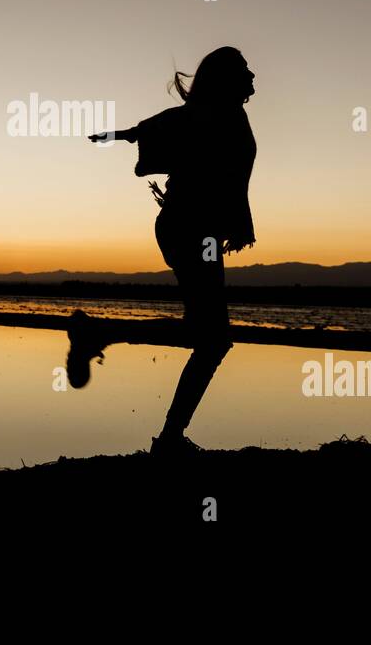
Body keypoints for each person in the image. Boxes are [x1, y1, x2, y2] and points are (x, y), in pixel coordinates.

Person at [88, 46, 257, 457]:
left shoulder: (220, 114)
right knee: (212, 339)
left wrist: (124, 134)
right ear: (227, 79)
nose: (253, 75)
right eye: (244, 70)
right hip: (191, 230)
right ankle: (168, 438)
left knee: (208, 337)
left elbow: (159, 126)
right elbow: (161, 126)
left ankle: (168, 436)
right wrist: (124, 134)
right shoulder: (213, 115)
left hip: (193, 230)